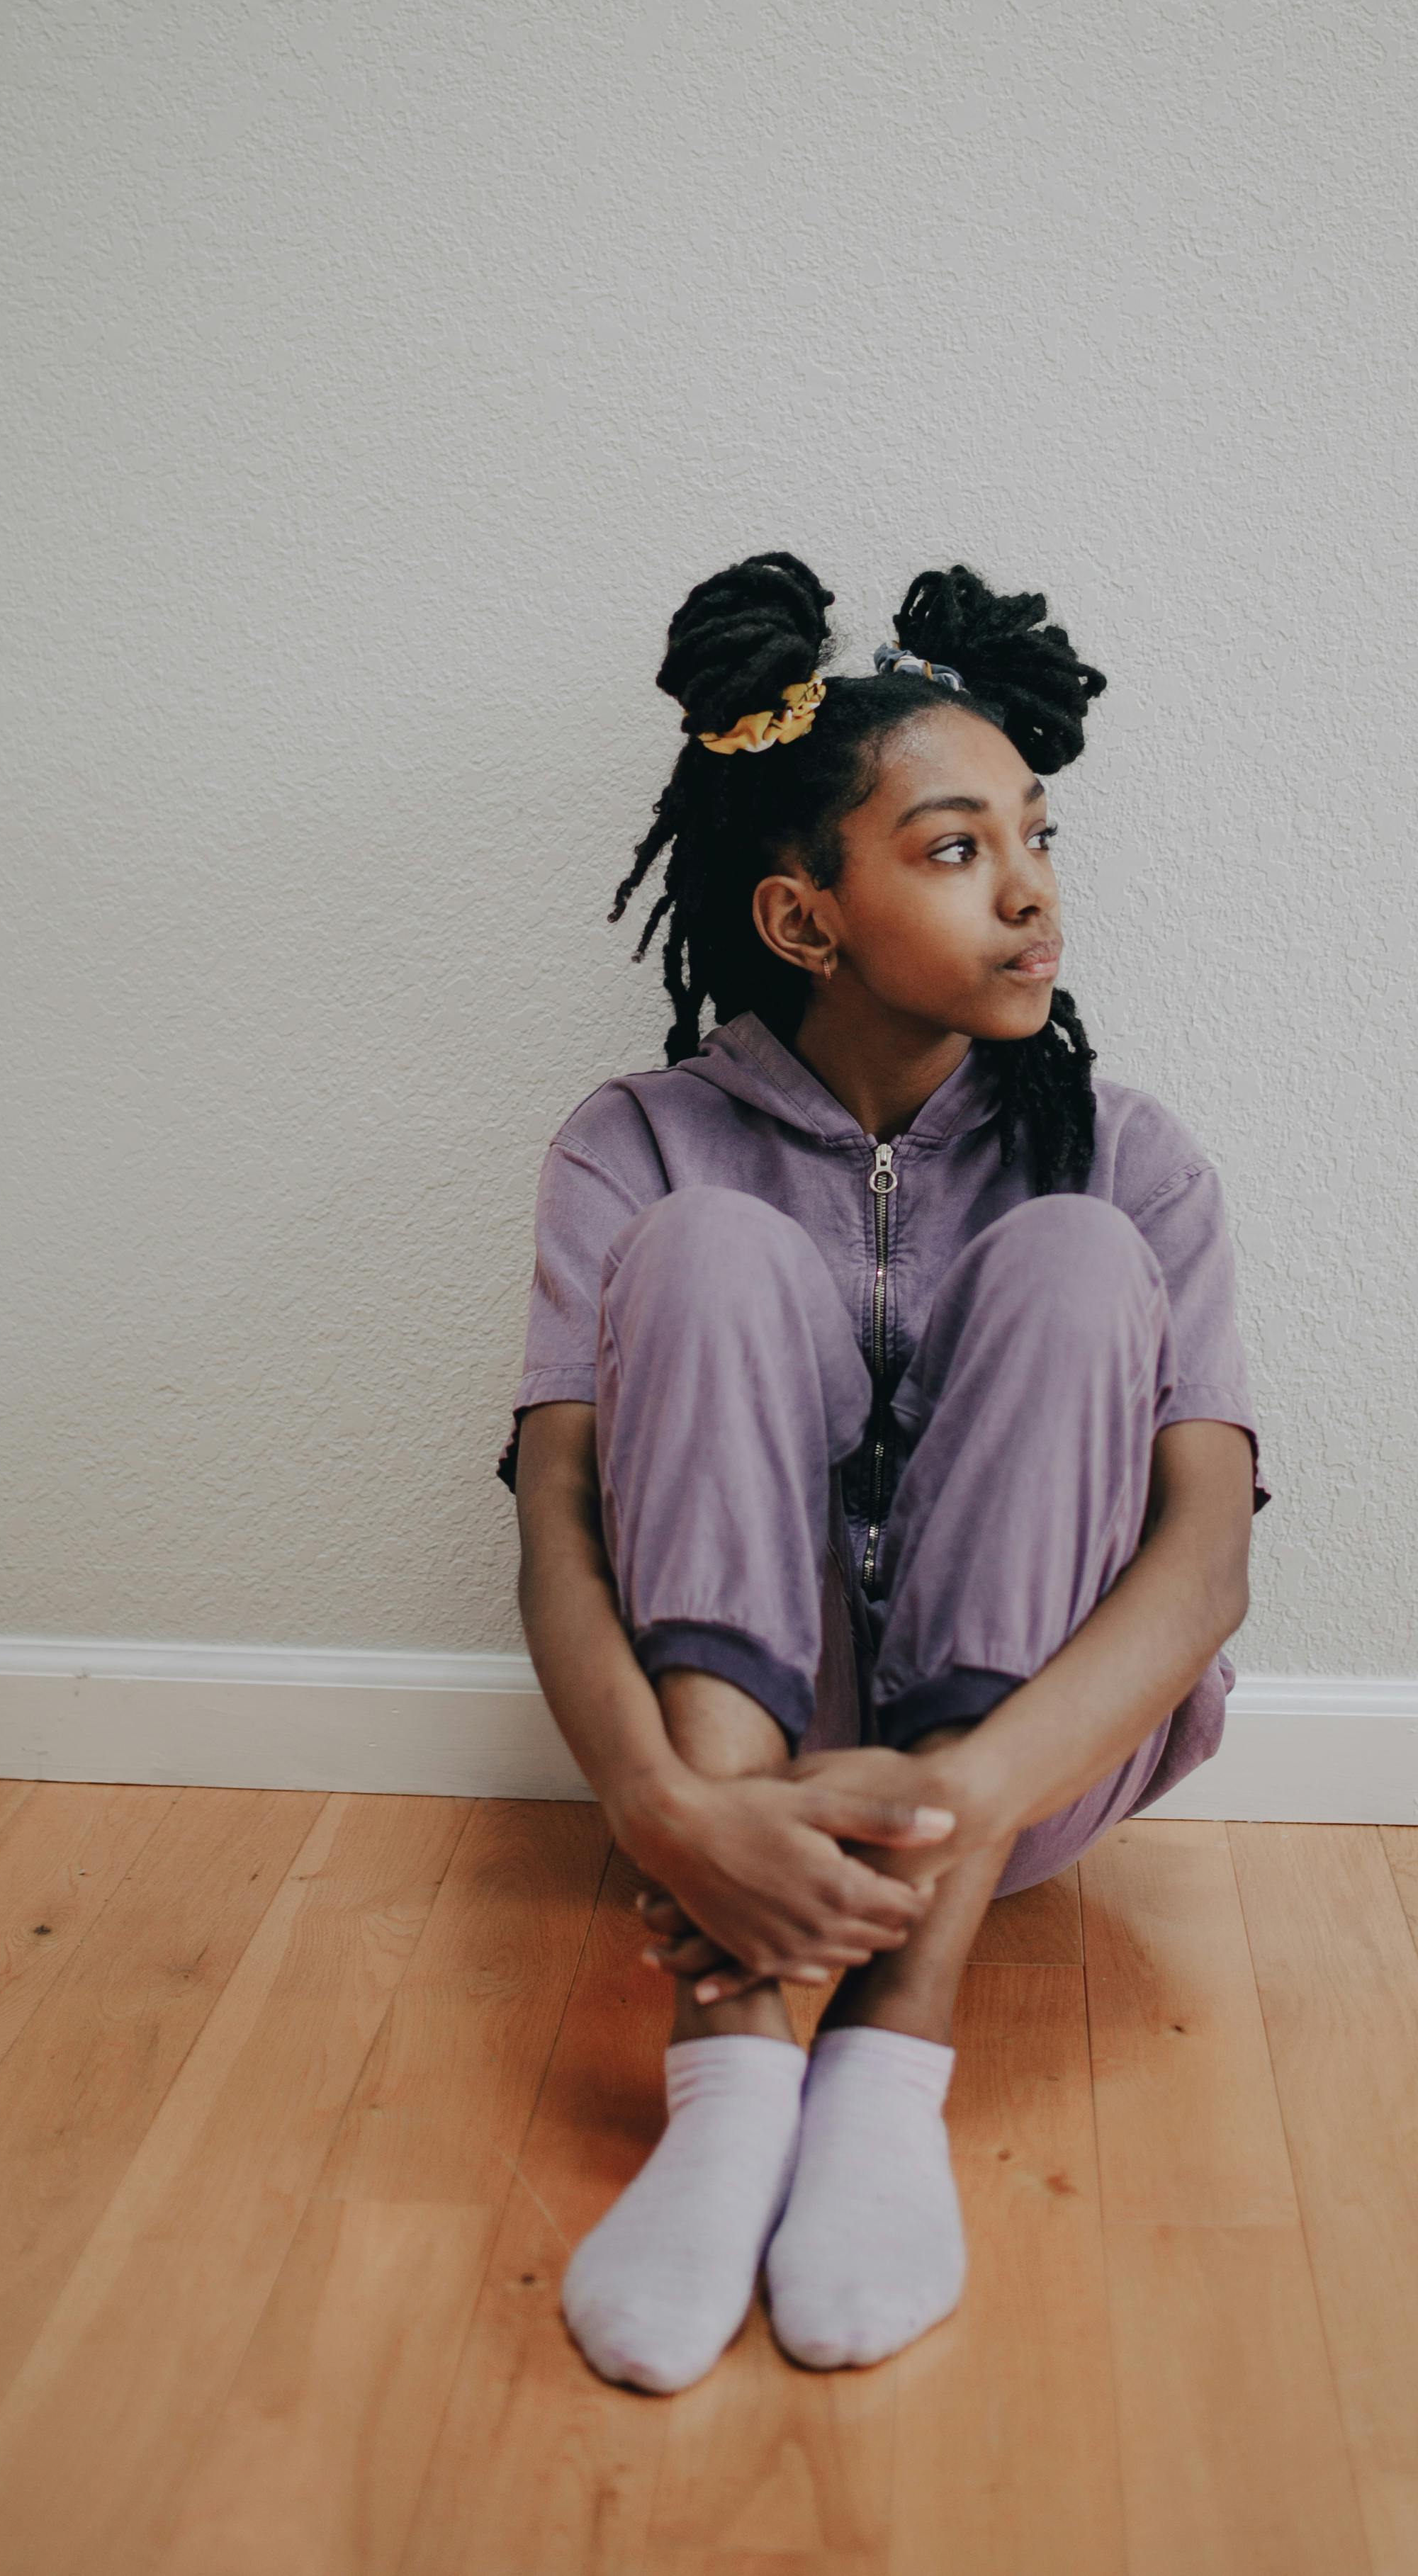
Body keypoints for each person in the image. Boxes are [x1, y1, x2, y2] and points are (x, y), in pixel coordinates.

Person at [503, 548, 1265, 2395]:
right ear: (800, 916)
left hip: (1026, 1760)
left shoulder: (1131, 1155)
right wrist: (675, 1819)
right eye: (952, 850)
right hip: (725, 1765)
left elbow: (1207, 1559)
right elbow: (558, 1532)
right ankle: (737, 2047)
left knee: (1083, 1259)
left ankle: (892, 2054)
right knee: (703, 1253)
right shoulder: (636, 1146)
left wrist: (964, 1791)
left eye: (1040, 837)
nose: (1030, 894)